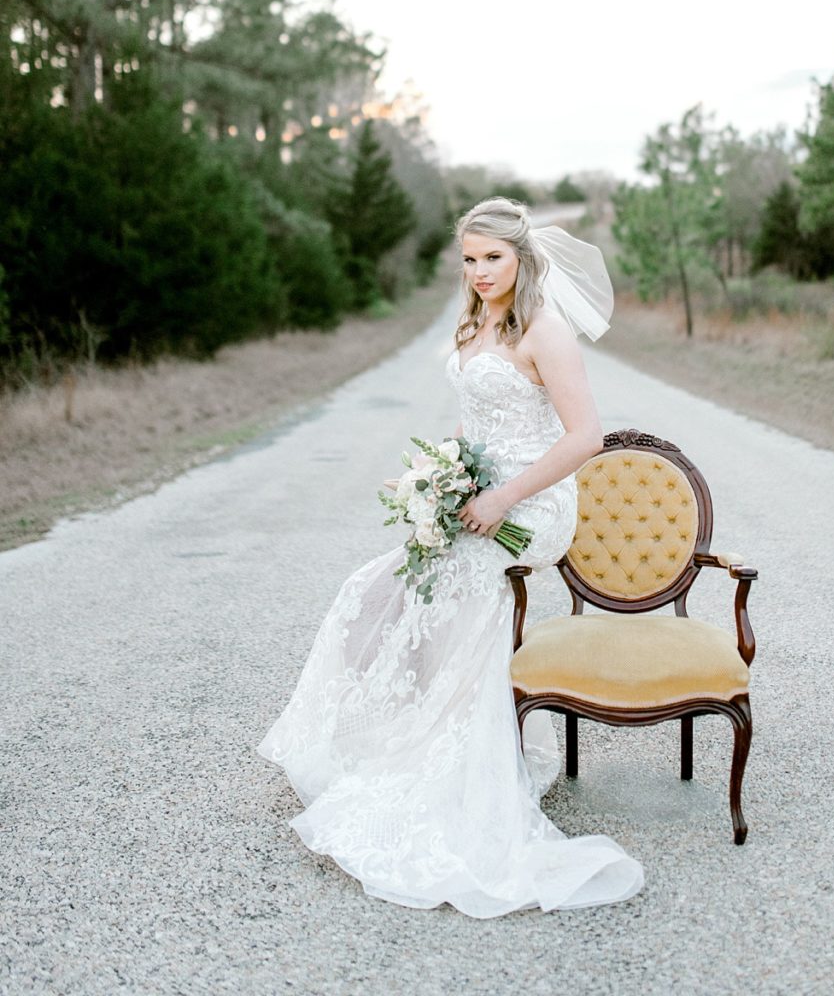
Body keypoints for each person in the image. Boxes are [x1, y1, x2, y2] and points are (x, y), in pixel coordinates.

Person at [257, 197, 644, 916]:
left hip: (533, 502)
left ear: (521, 258)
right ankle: (409, 738)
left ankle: (462, 763)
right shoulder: (474, 322)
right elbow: (474, 420)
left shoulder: (545, 330)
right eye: (468, 259)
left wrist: (499, 500)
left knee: (460, 578)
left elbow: (585, 436)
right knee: (376, 588)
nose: (479, 271)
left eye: (491, 257)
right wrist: (436, 478)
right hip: (479, 487)